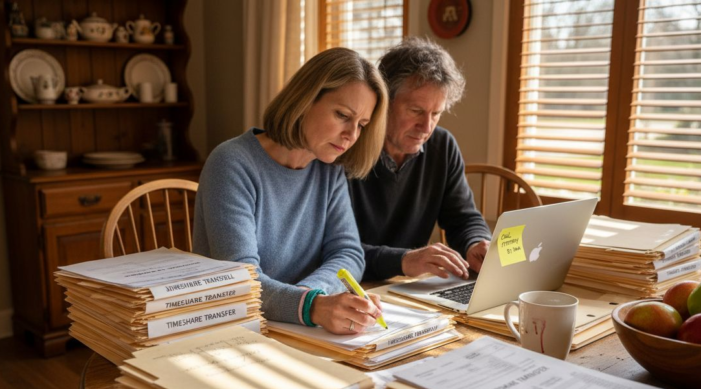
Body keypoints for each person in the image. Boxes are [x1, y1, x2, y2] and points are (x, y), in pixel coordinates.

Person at [194, 48, 389, 335]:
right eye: (342, 115)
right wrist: (312, 305)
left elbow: (348, 253)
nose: (351, 135)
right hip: (233, 329)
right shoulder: (231, 163)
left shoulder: (329, 169)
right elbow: (241, 280)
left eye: (361, 125)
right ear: (305, 100)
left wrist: (312, 296)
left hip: (297, 327)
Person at [349, 37, 492, 281]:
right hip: (353, 283)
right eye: (416, 111)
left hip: (408, 283)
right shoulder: (348, 146)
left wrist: (476, 242)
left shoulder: (442, 145)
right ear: (384, 101)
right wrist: (402, 260)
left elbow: (462, 217)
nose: (426, 127)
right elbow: (336, 249)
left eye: (436, 113)